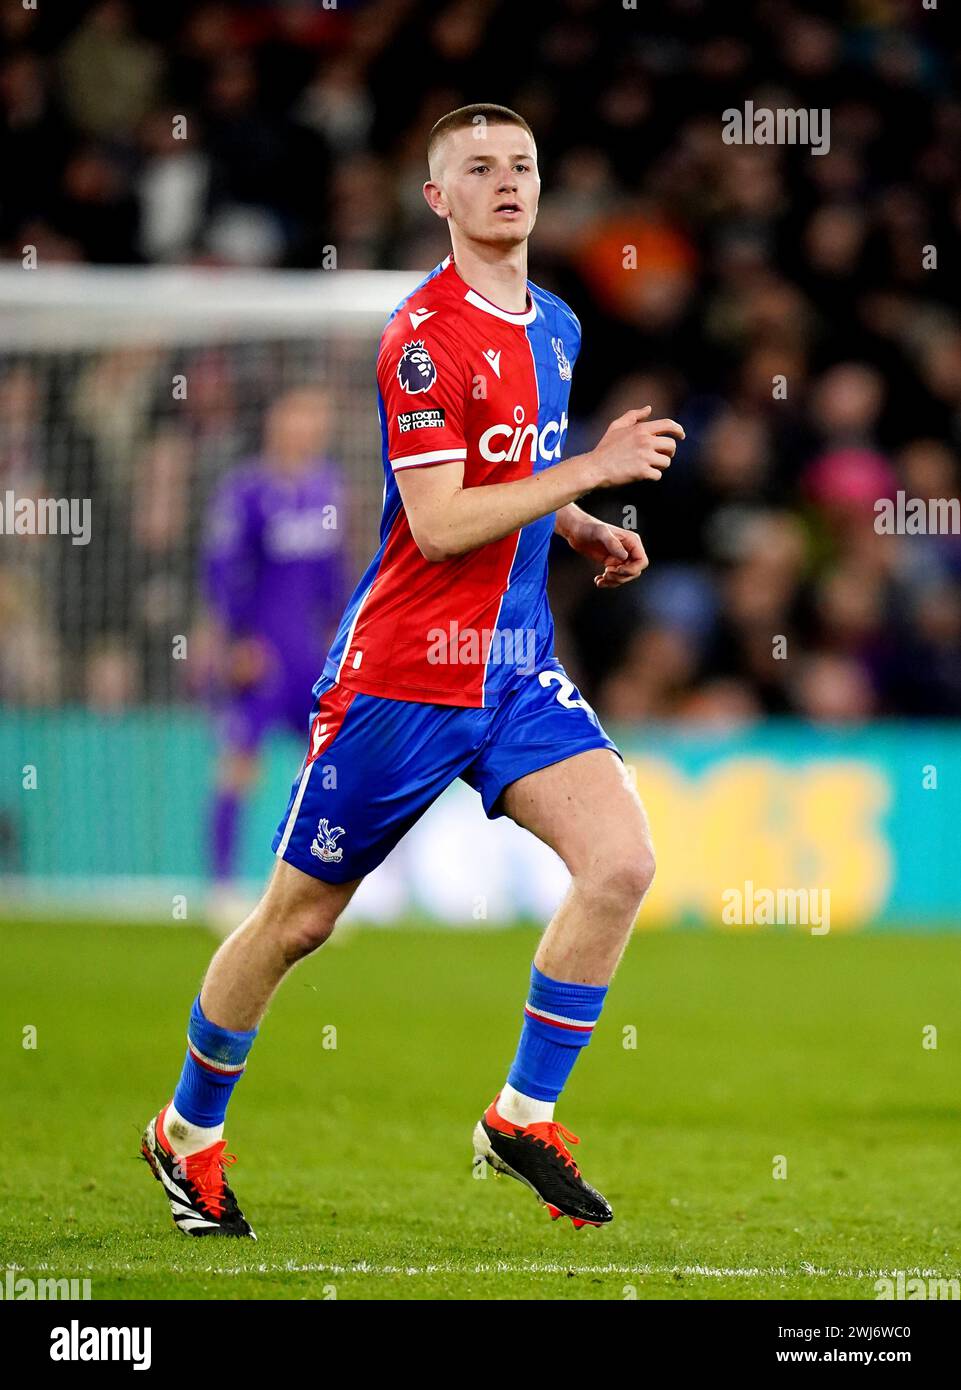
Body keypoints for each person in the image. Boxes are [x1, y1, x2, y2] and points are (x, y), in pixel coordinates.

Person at [140, 103, 684, 1237]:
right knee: (295, 923)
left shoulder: (560, 324)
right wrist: (589, 466)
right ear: (436, 197)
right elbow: (437, 525)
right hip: (402, 677)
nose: (507, 183)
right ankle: (185, 1129)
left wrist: (576, 518)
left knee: (622, 863)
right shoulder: (422, 339)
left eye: (523, 166)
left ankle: (520, 1115)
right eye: (478, 169)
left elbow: (515, 467)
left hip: (514, 665)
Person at [200, 388, 348, 921]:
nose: (306, 428)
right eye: (297, 416)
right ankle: (220, 889)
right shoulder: (245, 492)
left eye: (315, 418)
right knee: (239, 765)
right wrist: (234, 641)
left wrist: (342, 634)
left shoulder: (328, 488)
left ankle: (312, 892)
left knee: (327, 766)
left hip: (310, 655)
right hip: (260, 651)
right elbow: (221, 571)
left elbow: (332, 576)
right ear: (275, 422)